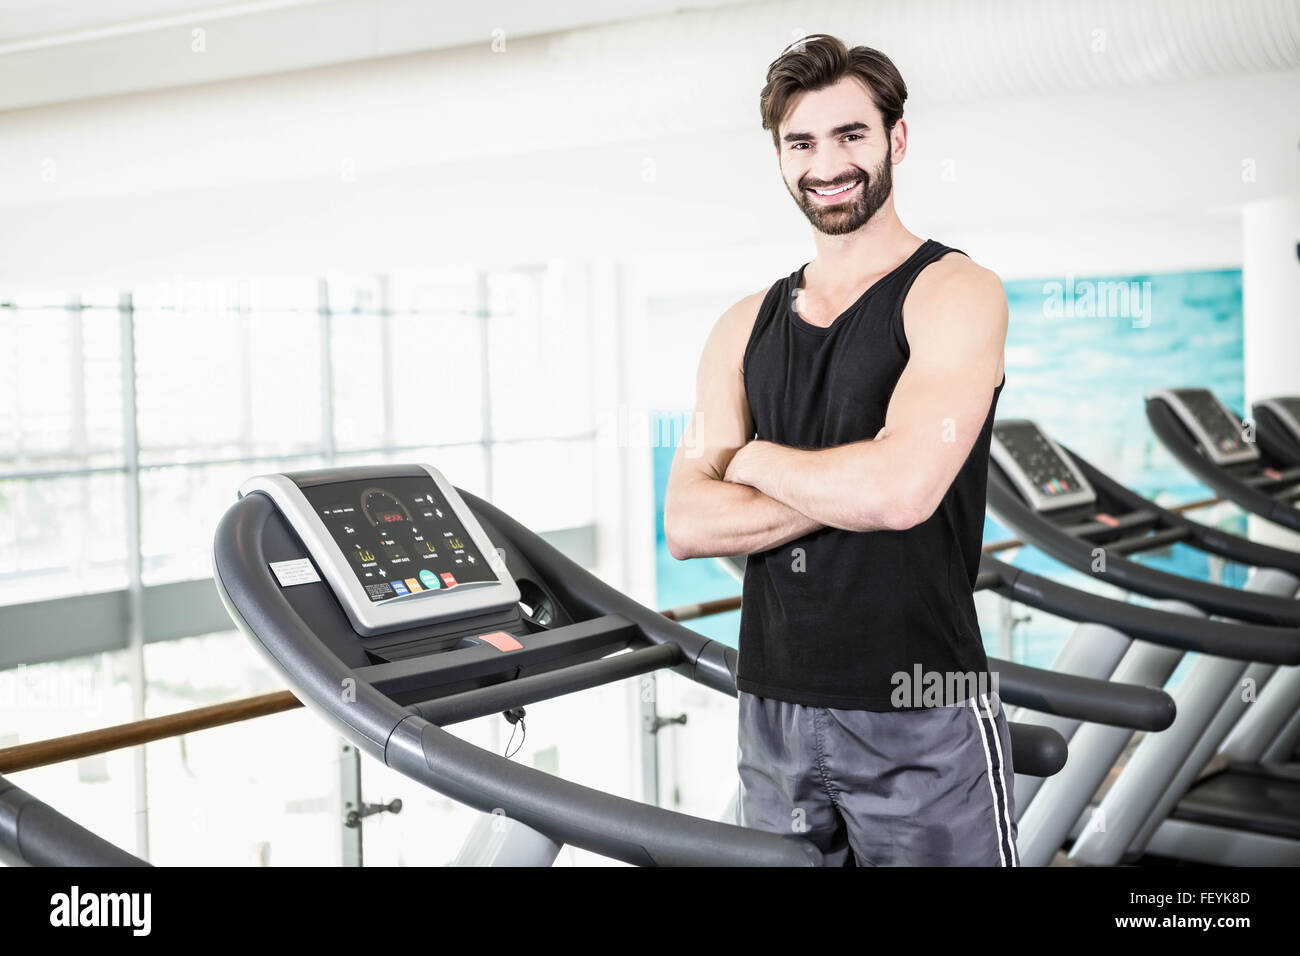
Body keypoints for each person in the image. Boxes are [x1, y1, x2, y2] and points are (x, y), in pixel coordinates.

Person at [663, 34, 1015, 866]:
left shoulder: (954, 292)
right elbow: (685, 521)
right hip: (772, 707)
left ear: (896, 138)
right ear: (781, 158)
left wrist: (745, 458)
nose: (828, 163)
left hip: (923, 697)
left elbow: (900, 495)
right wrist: (854, 478)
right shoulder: (740, 326)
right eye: (802, 142)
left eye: (851, 134)